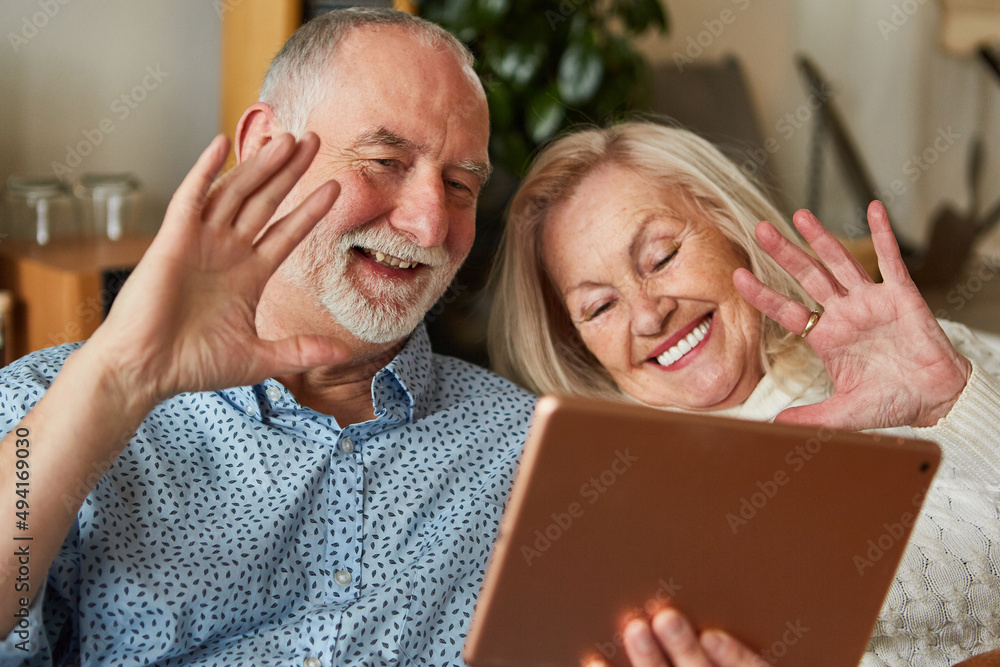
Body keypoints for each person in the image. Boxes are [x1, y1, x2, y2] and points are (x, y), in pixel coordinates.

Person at [0, 9, 539, 666]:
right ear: (265, 146)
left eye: (459, 185)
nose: (429, 225)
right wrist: (116, 381)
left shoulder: (528, 450)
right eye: (385, 161)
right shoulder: (44, 410)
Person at [489, 121, 1000, 667]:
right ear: (576, 344)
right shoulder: (605, 514)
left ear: (728, 225)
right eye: (599, 307)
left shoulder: (921, 351)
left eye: (661, 258)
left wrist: (953, 403)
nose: (648, 313)